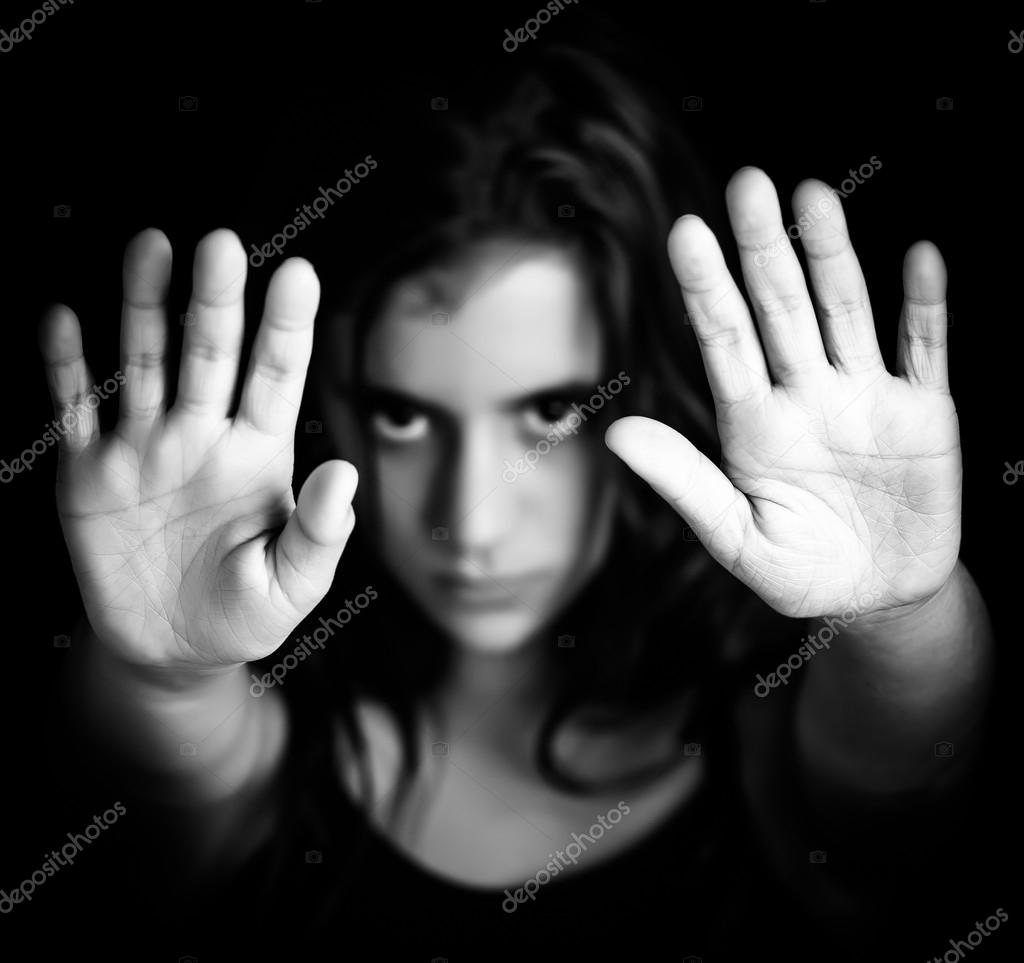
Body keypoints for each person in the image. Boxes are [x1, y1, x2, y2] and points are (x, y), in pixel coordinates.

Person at [39, 44, 992, 960]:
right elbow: (160, 795)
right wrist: (166, 674)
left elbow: (903, 793)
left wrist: (902, 614)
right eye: (404, 414)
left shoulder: (758, 732)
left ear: (647, 387)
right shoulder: (280, 747)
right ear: (329, 399)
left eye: (549, 410)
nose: (473, 520)